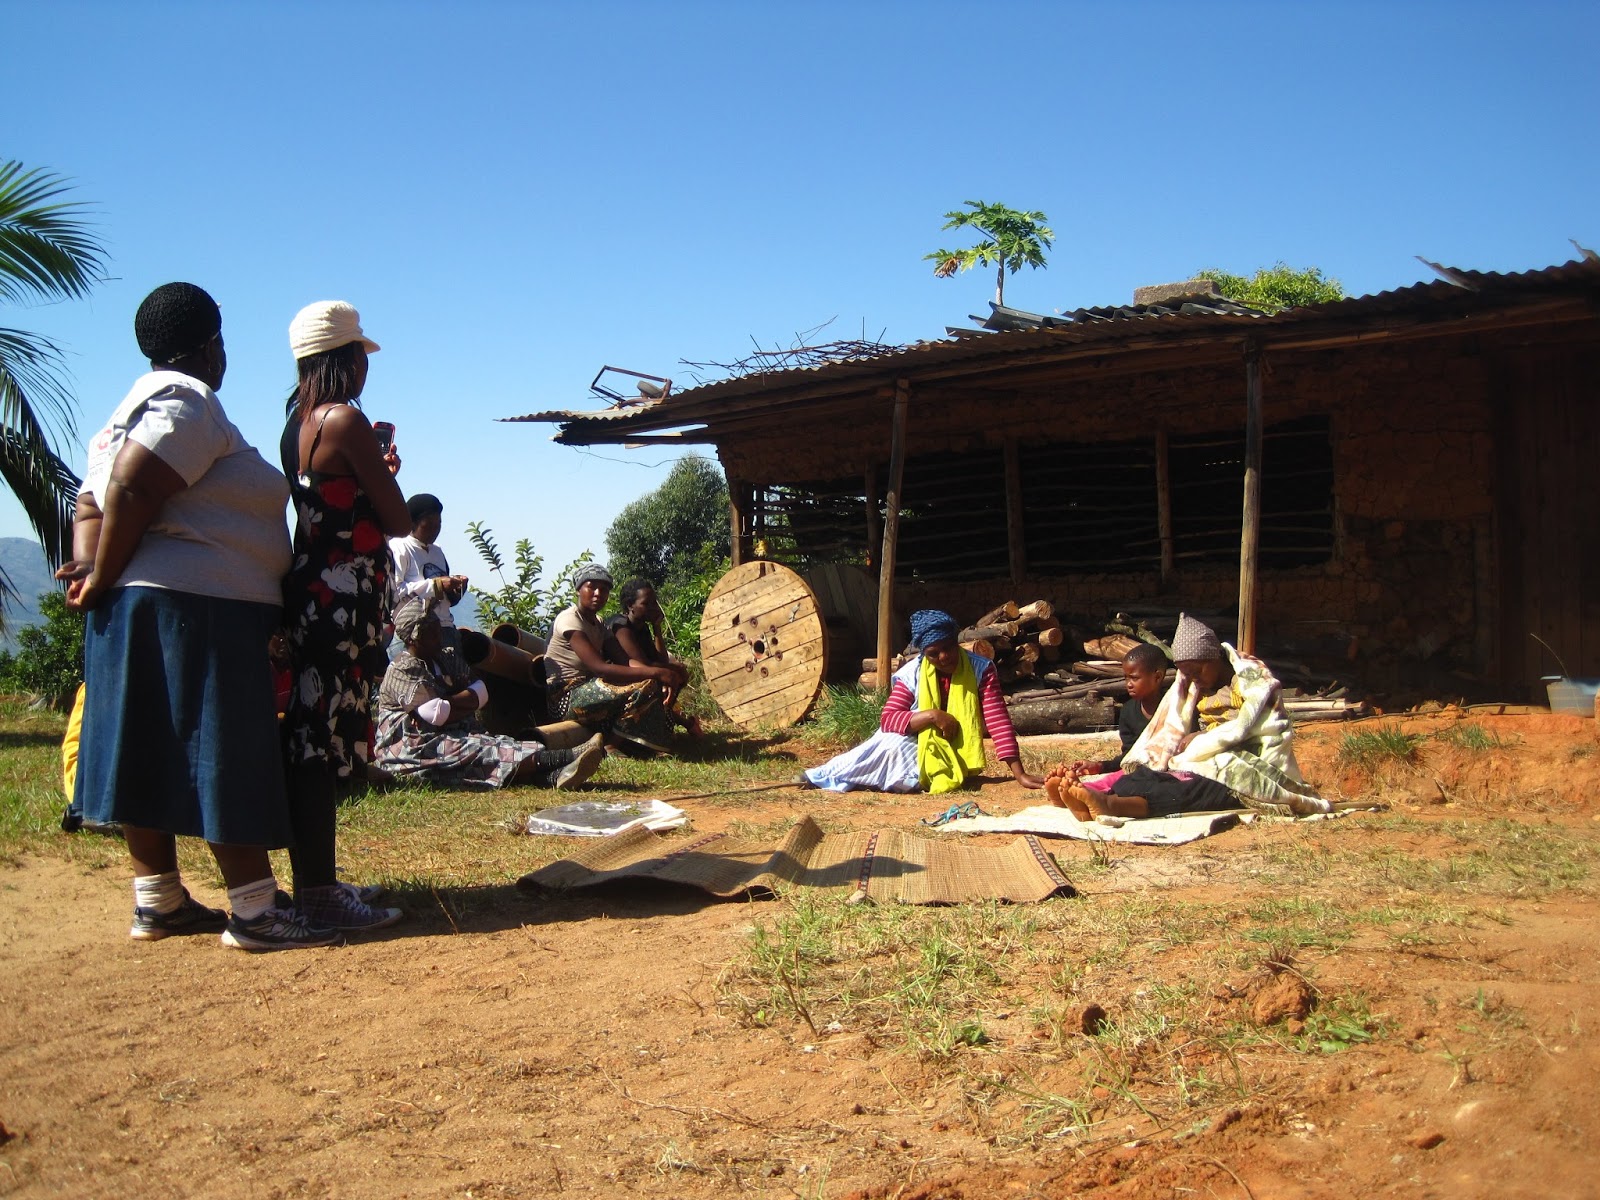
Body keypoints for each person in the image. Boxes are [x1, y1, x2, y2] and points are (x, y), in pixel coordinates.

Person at [62, 282, 335, 951]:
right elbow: (132, 482)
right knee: (225, 748)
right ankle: (255, 912)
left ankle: (159, 901)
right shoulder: (186, 398)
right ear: (211, 344)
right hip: (196, 610)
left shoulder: (120, 414)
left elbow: (93, 503)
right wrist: (99, 576)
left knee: (144, 748)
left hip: (140, 607)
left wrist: (94, 570)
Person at [280, 300, 410, 932]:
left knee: (313, 732)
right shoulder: (348, 421)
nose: (366, 367)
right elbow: (398, 519)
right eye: (360, 355)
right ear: (342, 359)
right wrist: (385, 475)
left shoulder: (296, 422)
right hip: (344, 601)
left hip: (311, 594)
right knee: (320, 743)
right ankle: (320, 895)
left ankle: (318, 882)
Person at [1057, 614, 1329, 819]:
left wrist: (1204, 736)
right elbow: (1174, 728)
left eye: (1196, 672)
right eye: (1187, 674)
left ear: (1213, 659)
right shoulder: (1196, 688)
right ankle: (1094, 799)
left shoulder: (1251, 681)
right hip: (1198, 762)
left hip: (1241, 767)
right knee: (1141, 778)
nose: (1192, 680)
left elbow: (1257, 727)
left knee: (1186, 792)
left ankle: (1111, 805)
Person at [801, 609, 1046, 794]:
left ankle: (839, 776)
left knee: (894, 759)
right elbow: (888, 720)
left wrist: (1020, 774)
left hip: (952, 746)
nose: (943, 657)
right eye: (933, 653)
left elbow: (997, 718)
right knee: (889, 746)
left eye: (948, 648)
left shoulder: (981, 668)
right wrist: (933, 716)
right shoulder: (912, 673)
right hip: (915, 738)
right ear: (923, 653)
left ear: (957, 642)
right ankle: (825, 774)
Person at [374, 598, 606, 788]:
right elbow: (438, 714)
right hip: (412, 750)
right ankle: (568, 757)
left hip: (447, 738)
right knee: (480, 750)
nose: (440, 634)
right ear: (415, 637)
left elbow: (480, 691)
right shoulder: (404, 668)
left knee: (492, 745)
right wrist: (465, 700)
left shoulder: (444, 658)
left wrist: (455, 702)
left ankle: (555, 776)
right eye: (433, 631)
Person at [544, 565, 679, 753]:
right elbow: (599, 667)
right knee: (644, 684)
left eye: (604, 589)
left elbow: (625, 661)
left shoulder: (598, 623)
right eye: (591, 587)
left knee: (650, 682)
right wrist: (656, 672)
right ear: (578, 589)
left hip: (589, 689)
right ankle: (612, 745)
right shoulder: (569, 620)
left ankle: (633, 741)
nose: (598, 593)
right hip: (565, 697)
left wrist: (659, 676)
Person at [1045, 642, 1168, 805]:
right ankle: (1075, 793)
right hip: (1137, 772)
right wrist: (1098, 766)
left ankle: (1094, 799)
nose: (1128, 684)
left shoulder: (1175, 707)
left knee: (1131, 785)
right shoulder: (1128, 712)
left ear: (1157, 677)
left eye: (1134, 678)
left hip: (1168, 770)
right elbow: (1128, 758)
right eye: (1126, 678)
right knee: (1116, 779)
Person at [604, 578, 703, 739]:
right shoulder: (620, 626)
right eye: (646, 604)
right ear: (630, 606)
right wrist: (668, 673)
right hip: (619, 677)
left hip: (639, 673)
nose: (652, 608)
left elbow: (661, 659)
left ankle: (663, 717)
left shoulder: (641, 626)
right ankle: (661, 722)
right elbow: (642, 665)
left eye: (654, 603)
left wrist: (657, 628)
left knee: (679, 672)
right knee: (674, 673)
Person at [388, 492, 468, 667]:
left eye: (438, 525)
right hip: (414, 635)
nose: (434, 531)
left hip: (444, 629)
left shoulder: (437, 551)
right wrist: (437, 584)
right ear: (413, 523)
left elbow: (444, 598)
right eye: (428, 525)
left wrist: (456, 589)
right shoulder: (399, 547)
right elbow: (396, 592)